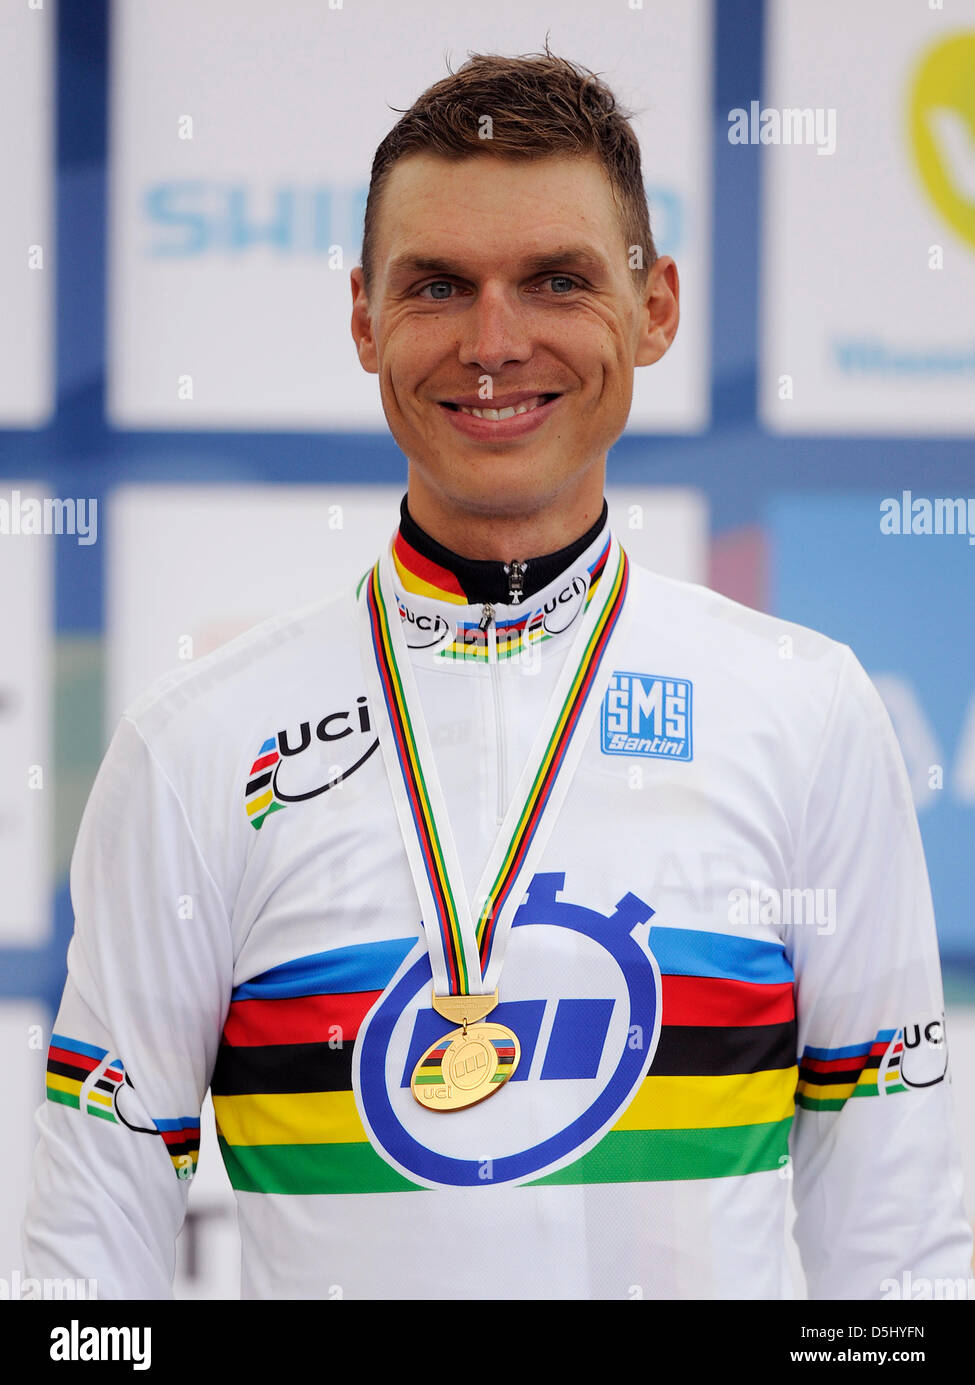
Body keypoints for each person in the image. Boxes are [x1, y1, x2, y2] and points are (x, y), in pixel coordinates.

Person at [23, 49, 971, 1300]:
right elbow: (86, 1273)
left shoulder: (806, 711)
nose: (492, 342)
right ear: (364, 316)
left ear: (657, 307)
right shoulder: (193, 748)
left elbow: (896, 1253)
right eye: (437, 287)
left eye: (556, 281)